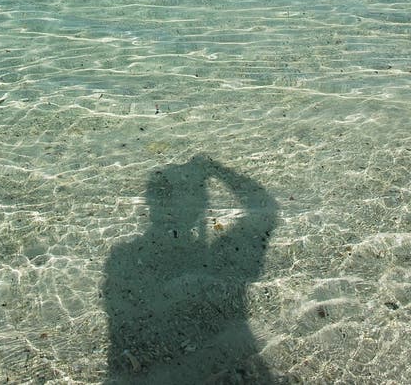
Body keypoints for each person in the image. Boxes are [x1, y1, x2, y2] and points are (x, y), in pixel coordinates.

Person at [102, 155, 279, 384]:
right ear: (202, 206)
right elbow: (266, 207)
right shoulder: (223, 257)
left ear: (151, 207)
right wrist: (217, 169)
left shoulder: (122, 259)